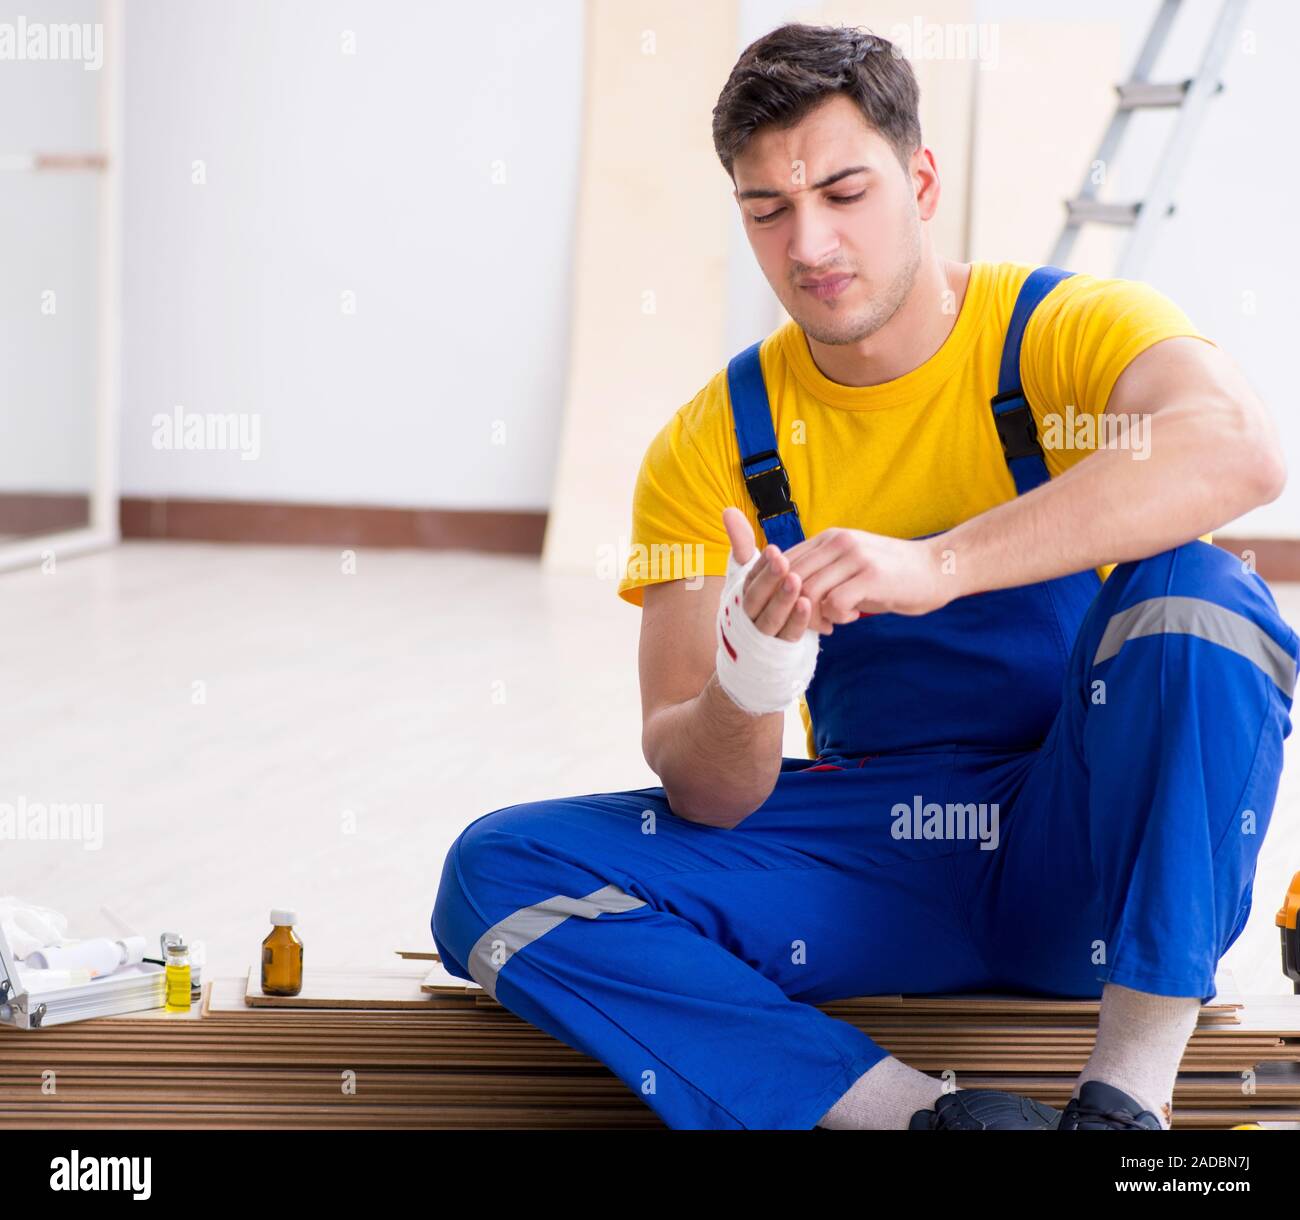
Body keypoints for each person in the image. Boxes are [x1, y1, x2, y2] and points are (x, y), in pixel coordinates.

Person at [432, 22, 1298, 1131]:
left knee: (1203, 593)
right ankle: (920, 1119)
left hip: (1079, 842)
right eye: (768, 211)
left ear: (921, 178)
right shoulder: (710, 447)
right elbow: (704, 793)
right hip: (880, 856)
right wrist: (749, 684)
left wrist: (935, 564)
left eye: (845, 191)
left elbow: (1240, 448)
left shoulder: (1057, 333)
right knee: (497, 868)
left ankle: (1125, 1101)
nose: (810, 243)